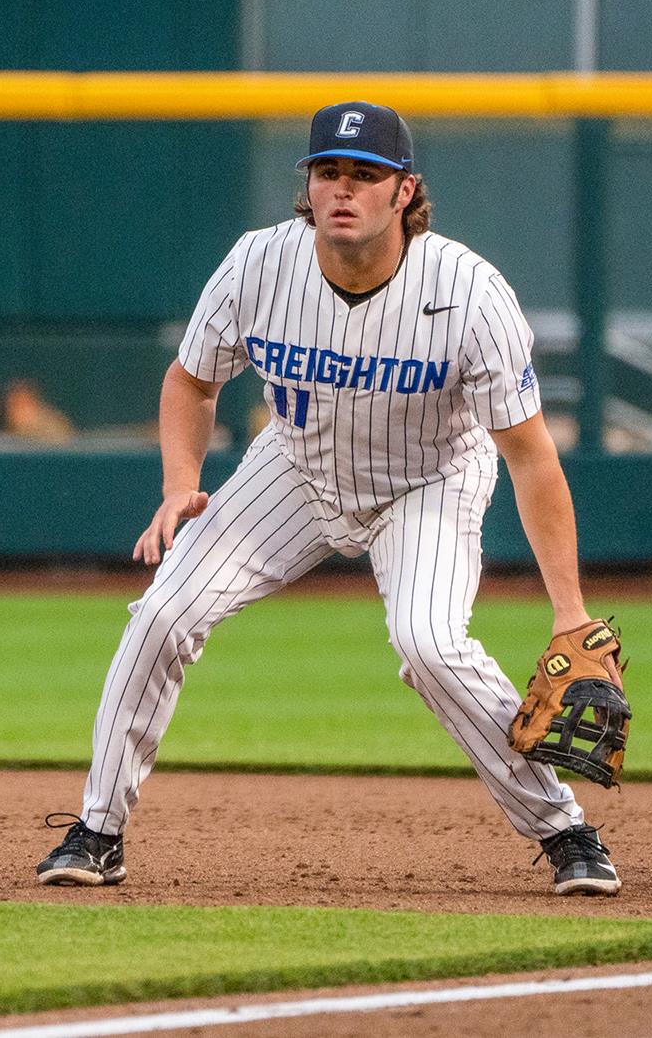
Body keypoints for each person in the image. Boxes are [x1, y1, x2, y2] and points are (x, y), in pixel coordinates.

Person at [36, 100, 622, 896]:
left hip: (429, 480)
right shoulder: (258, 264)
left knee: (429, 644)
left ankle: (565, 832)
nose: (344, 188)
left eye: (365, 175)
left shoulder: (470, 292)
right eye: (328, 172)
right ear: (306, 187)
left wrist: (569, 610)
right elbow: (191, 380)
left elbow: (530, 456)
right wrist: (180, 484)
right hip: (298, 469)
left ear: (406, 191)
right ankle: (97, 830)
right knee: (163, 614)